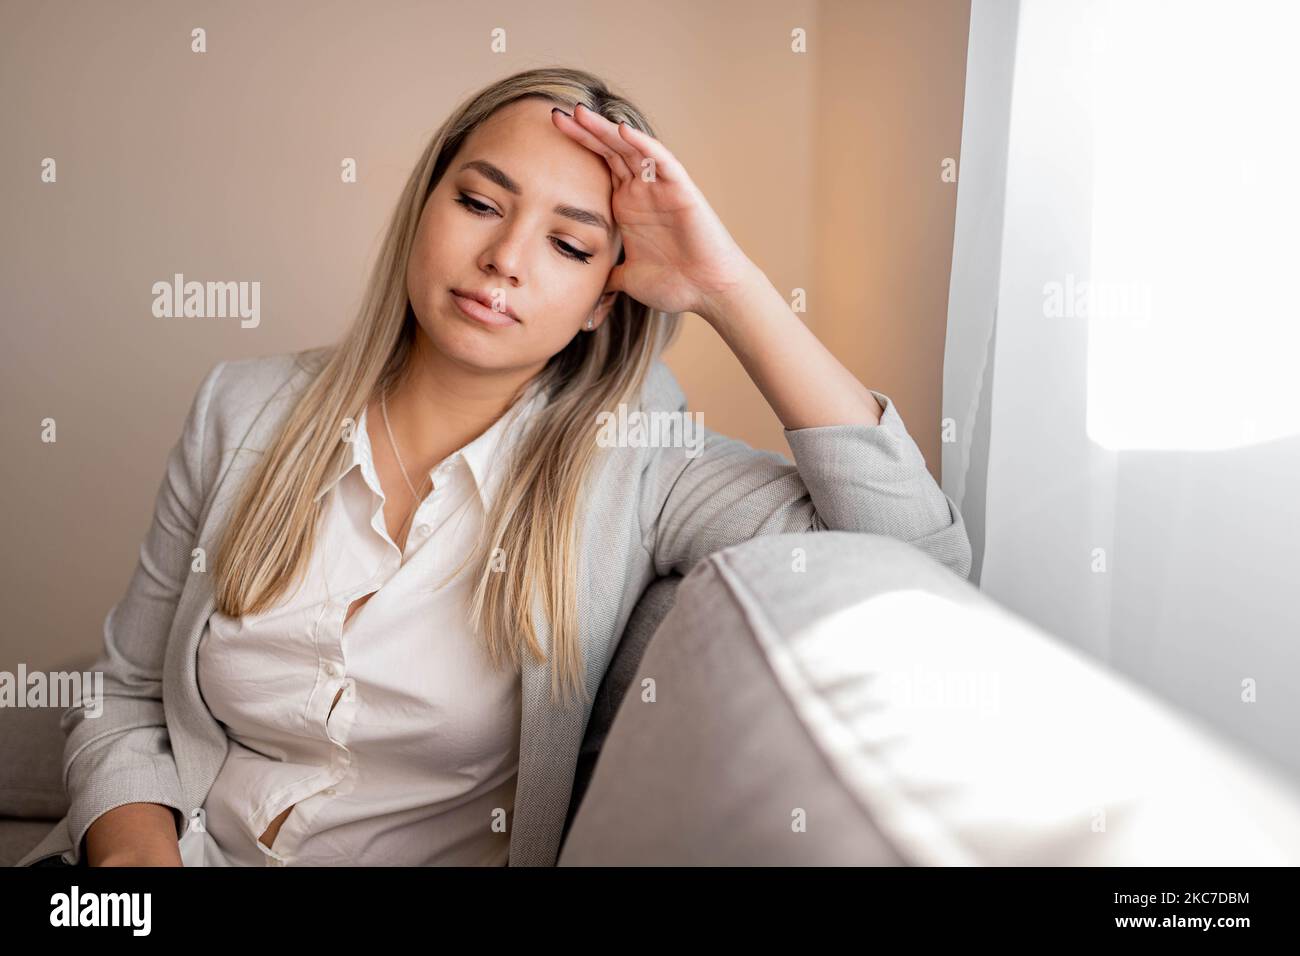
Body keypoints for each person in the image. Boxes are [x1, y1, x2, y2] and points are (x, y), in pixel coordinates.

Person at [28, 66, 970, 868]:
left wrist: (729, 287)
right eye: (479, 202)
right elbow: (130, 690)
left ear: (608, 296)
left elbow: (915, 555)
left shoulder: (639, 460)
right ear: (423, 209)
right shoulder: (243, 406)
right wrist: (130, 871)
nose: (504, 260)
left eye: (569, 243)